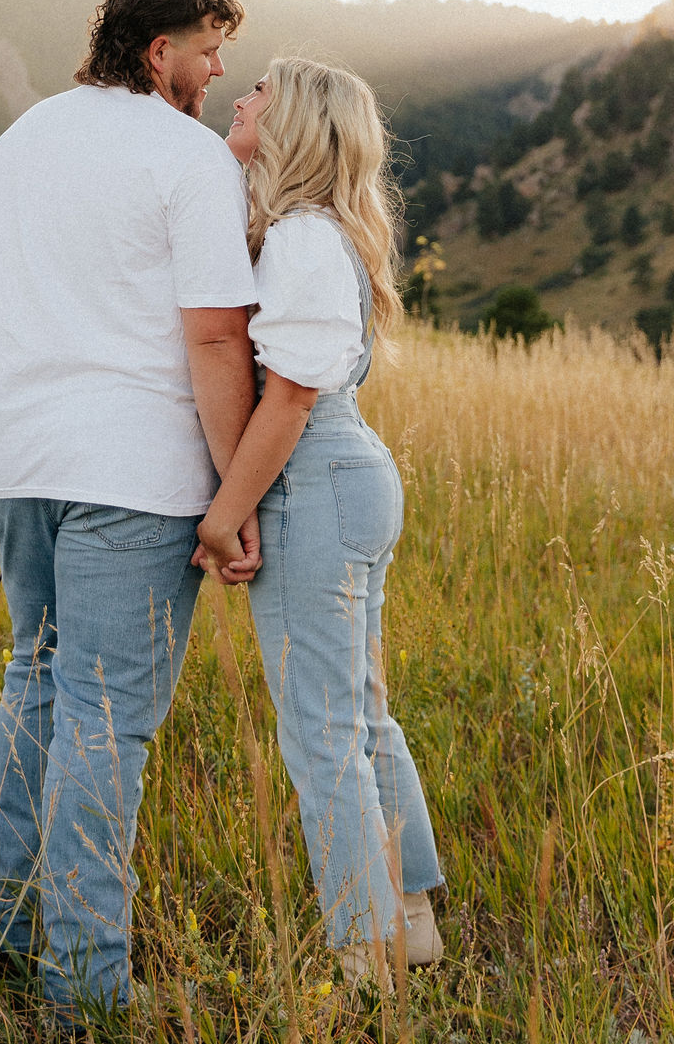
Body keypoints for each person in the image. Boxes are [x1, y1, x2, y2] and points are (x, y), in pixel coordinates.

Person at [0, 0, 259, 1026]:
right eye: (207, 48)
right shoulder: (185, 157)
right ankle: (86, 988)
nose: (218, 68)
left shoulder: (18, 141)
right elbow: (215, 329)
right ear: (158, 51)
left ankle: (4, 939)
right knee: (105, 721)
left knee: (36, 683)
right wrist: (235, 492)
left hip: (19, 458)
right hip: (130, 472)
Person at [193, 57, 445, 993]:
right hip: (352, 474)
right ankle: (408, 917)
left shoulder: (300, 236)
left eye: (259, 90)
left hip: (315, 477)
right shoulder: (326, 233)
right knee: (359, 712)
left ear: (294, 122)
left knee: (320, 730)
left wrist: (227, 516)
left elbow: (291, 395)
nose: (242, 98)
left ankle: (364, 953)